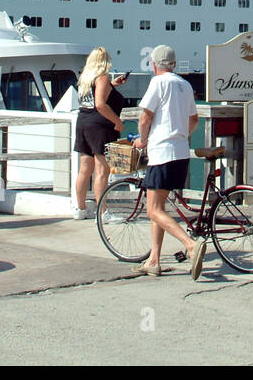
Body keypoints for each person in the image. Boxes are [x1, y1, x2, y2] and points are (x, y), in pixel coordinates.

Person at [133, 45, 204, 279]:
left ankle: (191, 245)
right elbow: (194, 119)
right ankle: (153, 260)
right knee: (159, 208)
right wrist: (182, 133)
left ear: (154, 65)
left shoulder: (158, 83)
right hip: (181, 153)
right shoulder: (185, 85)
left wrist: (142, 140)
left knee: (153, 210)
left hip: (162, 153)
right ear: (173, 64)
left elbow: (145, 117)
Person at [73, 47, 129, 219]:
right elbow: (100, 104)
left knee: (84, 170)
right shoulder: (102, 78)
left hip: (83, 123)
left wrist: (113, 85)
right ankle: (103, 212)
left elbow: (93, 99)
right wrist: (117, 121)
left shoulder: (85, 79)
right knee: (102, 171)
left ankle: (81, 209)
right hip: (100, 128)